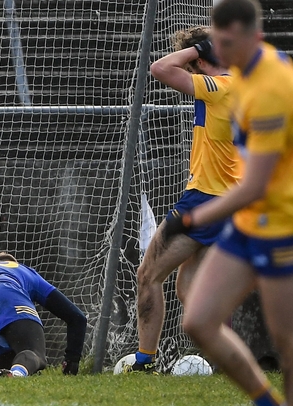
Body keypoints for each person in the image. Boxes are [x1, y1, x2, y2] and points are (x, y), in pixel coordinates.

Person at [164, 1, 293, 406]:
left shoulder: (271, 86)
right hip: (250, 222)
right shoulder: (237, 76)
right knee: (199, 319)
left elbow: (254, 186)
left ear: (254, 35)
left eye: (228, 43)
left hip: (286, 226)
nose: (220, 51)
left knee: (292, 351)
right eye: (216, 42)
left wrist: (189, 220)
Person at [123, 26, 242, 373]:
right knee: (190, 290)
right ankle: (227, 359)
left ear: (202, 60)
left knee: (148, 275)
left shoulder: (218, 86)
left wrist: (197, 52)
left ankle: (144, 361)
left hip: (205, 200)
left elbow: (159, 68)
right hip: (230, 201)